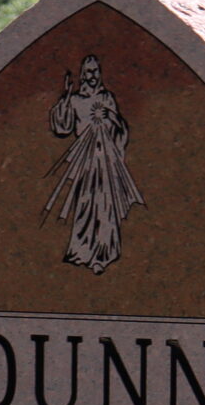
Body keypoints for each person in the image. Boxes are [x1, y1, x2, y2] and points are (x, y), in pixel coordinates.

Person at [46, 53, 144, 273]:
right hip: (85, 162)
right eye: (88, 73)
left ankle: (104, 253)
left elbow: (121, 129)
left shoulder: (107, 98)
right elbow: (61, 128)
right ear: (82, 75)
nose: (92, 77)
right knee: (85, 204)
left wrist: (109, 118)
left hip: (106, 161)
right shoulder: (75, 101)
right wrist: (65, 96)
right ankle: (82, 252)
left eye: (95, 72)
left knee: (105, 206)